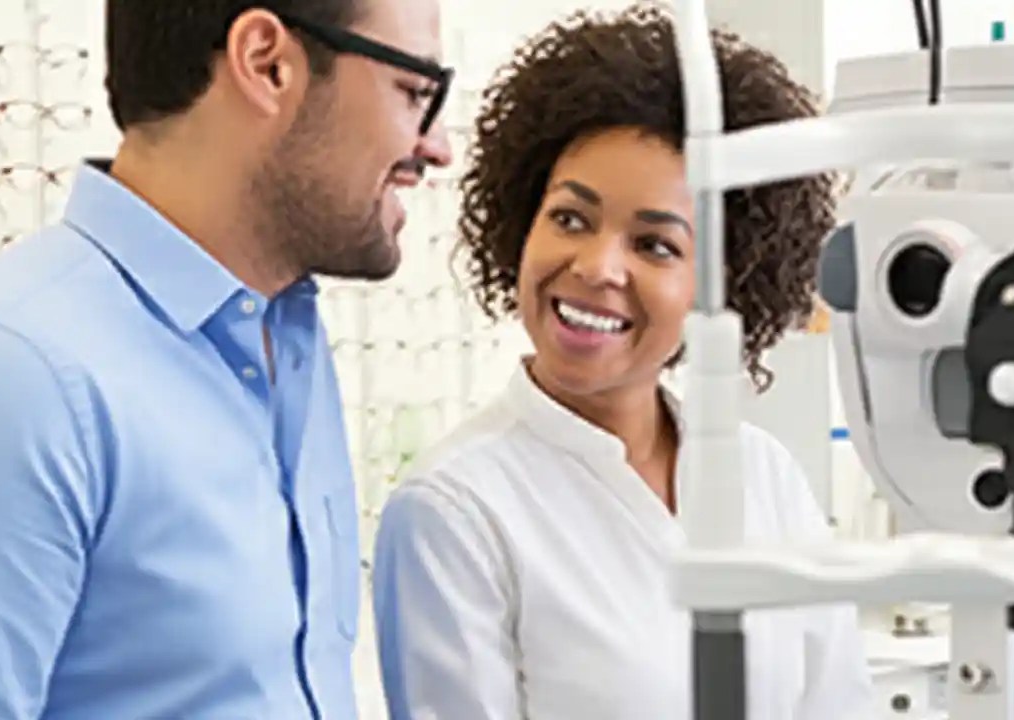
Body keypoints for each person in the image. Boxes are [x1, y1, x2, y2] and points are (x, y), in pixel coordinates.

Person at [0, 1, 452, 718]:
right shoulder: (3, 380)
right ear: (267, 64)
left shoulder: (287, 346)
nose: (439, 147)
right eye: (416, 94)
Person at [370, 5, 875, 720]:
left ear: (720, 282)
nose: (598, 267)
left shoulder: (765, 477)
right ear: (521, 224)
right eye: (571, 219)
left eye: (655, 245)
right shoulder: (456, 511)